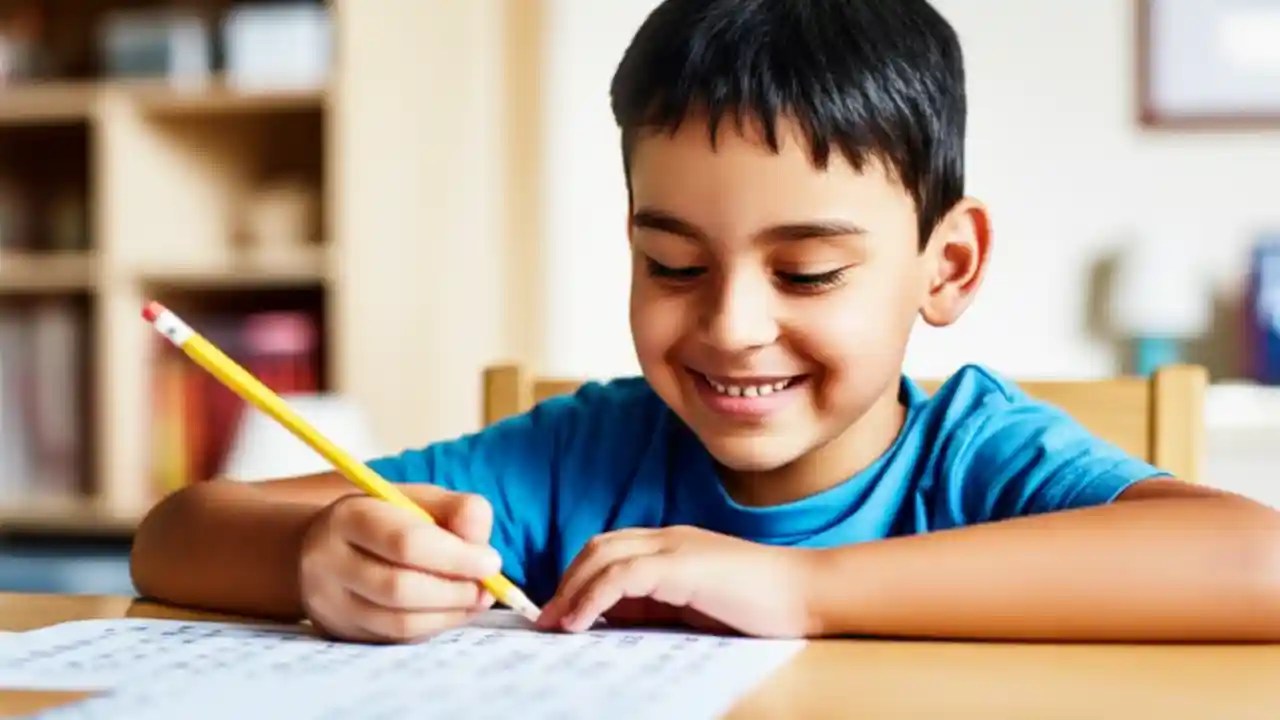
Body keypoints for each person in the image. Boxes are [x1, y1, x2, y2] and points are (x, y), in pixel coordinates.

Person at [130, 0, 1280, 644]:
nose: (729, 326)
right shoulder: (576, 457)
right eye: (670, 262)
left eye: (810, 273)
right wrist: (319, 555)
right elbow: (175, 534)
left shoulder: (976, 458)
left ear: (948, 264)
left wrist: (803, 590)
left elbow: (1260, 562)